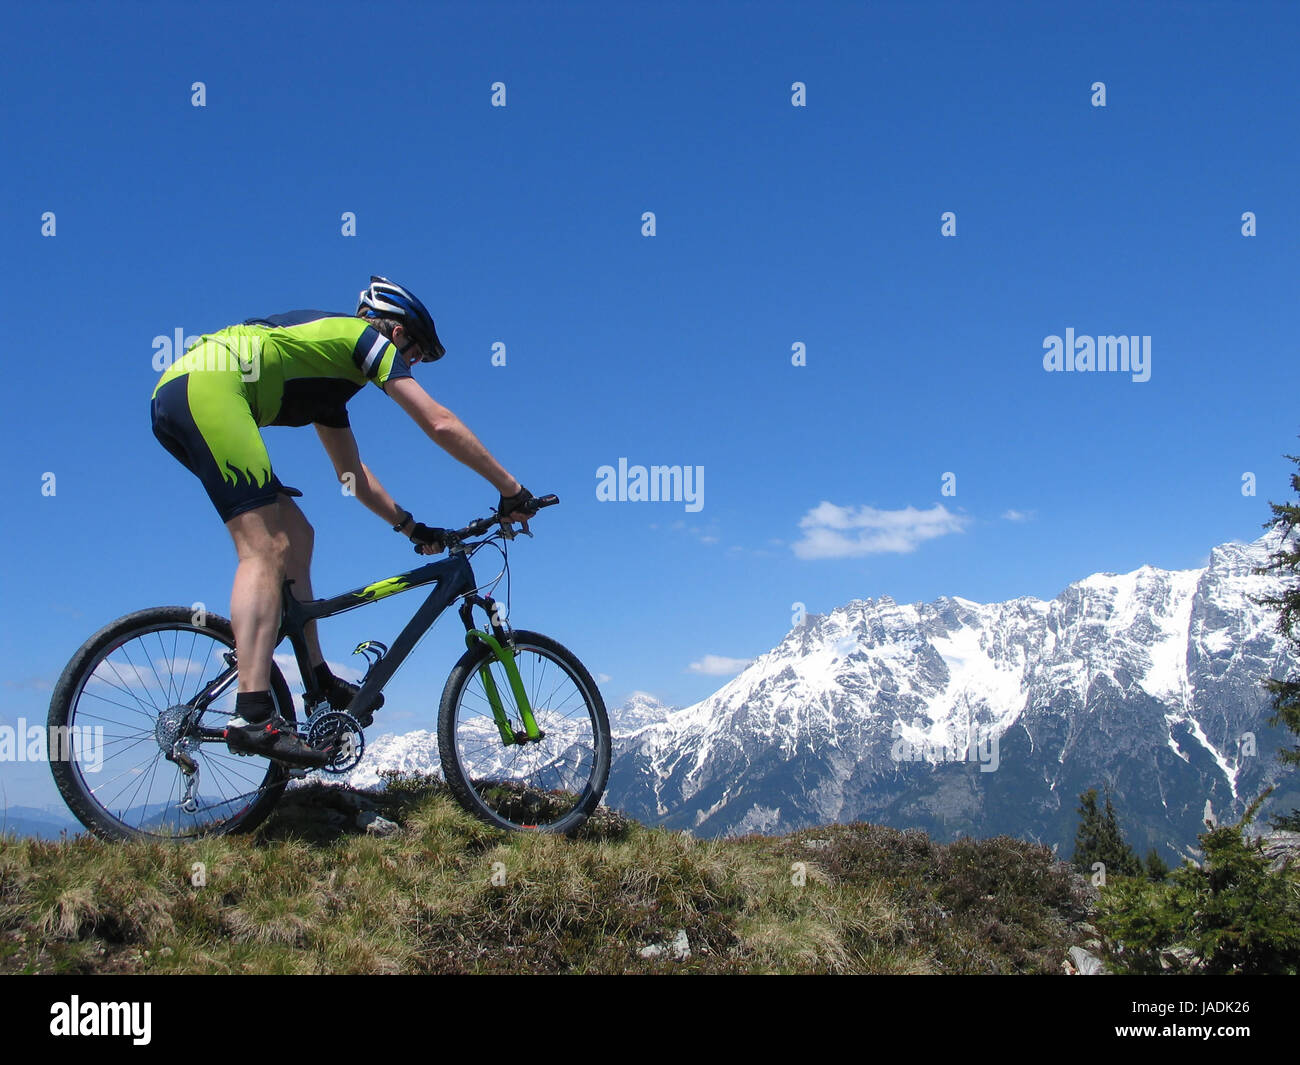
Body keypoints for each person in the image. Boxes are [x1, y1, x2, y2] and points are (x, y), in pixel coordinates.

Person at [151, 276, 534, 766]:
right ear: (395, 332)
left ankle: (317, 678)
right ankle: (251, 715)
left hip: (190, 396)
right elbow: (437, 422)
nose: (411, 364)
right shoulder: (363, 340)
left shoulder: (331, 385)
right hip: (207, 392)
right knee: (264, 549)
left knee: (299, 536)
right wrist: (510, 488)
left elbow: (351, 477)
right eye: (415, 352)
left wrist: (411, 527)